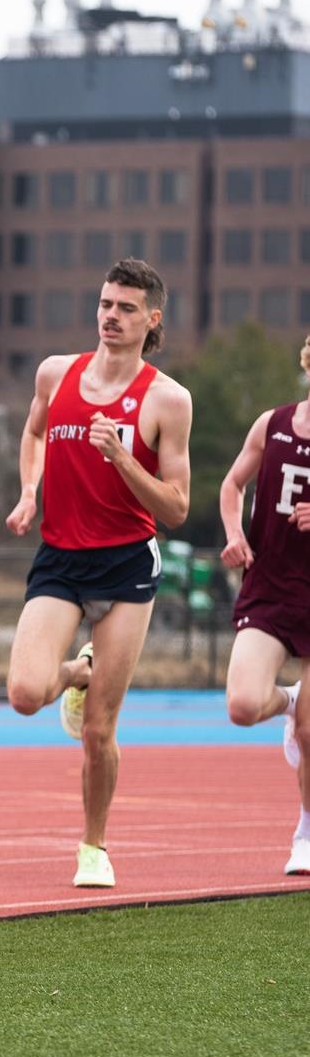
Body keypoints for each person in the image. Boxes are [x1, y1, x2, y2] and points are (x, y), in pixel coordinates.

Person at [5, 257, 192, 889]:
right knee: (26, 693)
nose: (111, 316)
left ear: (152, 319)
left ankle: (94, 846)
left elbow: (176, 507)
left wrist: (120, 458)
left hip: (126, 563)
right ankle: (77, 671)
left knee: (99, 729)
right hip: (59, 557)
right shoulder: (56, 373)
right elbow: (32, 434)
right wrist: (29, 492)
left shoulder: (167, 399)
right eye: (106, 304)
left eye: (126, 308)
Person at [218, 334, 310, 875]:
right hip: (271, 589)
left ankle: (305, 831)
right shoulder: (271, 424)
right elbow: (232, 484)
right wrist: (234, 533)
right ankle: (291, 701)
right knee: (243, 705)